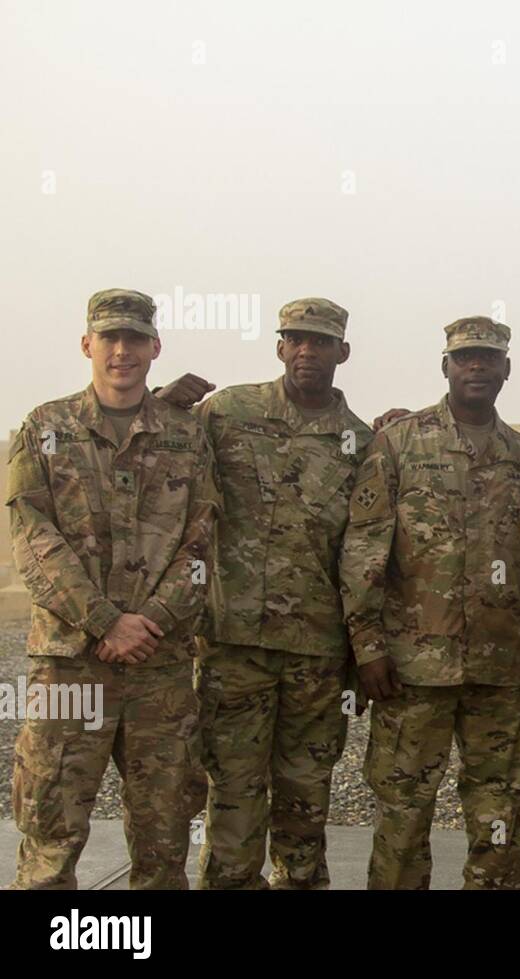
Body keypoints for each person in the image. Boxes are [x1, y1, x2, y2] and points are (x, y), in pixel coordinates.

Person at [156, 297, 373, 889]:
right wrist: (159, 404)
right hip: (233, 643)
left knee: (307, 791)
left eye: (322, 342)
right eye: (296, 339)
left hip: (317, 650)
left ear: (342, 352)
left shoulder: (359, 440)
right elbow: (157, 456)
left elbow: (367, 547)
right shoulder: (227, 412)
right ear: (279, 347)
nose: (308, 351)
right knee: (234, 789)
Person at [7, 288, 219, 889]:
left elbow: (201, 541)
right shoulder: (44, 429)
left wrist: (149, 618)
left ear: (155, 347)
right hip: (72, 665)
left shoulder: (187, 435)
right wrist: (106, 622)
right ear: (86, 345)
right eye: (109, 338)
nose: (121, 351)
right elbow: (35, 541)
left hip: (161, 663)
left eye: (134, 339)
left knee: (165, 837)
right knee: (50, 832)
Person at [340, 315, 520, 889]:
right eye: (466, 357)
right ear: (446, 367)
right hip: (414, 668)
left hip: (499, 666)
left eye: (488, 357)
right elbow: (364, 551)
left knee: (499, 811)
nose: (477, 367)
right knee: (404, 811)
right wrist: (367, 646)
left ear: (506, 369)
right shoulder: (400, 442)